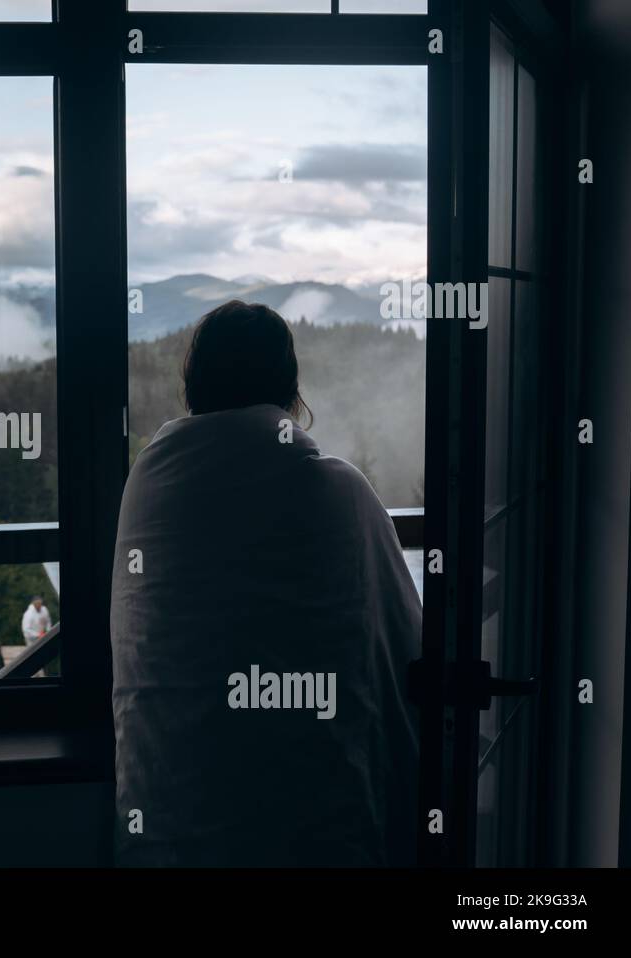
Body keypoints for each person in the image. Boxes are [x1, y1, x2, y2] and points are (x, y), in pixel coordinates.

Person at [110, 300, 421, 867]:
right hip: (312, 832)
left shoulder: (149, 486)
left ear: (194, 382)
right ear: (289, 386)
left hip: (167, 822)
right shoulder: (336, 492)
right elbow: (405, 643)